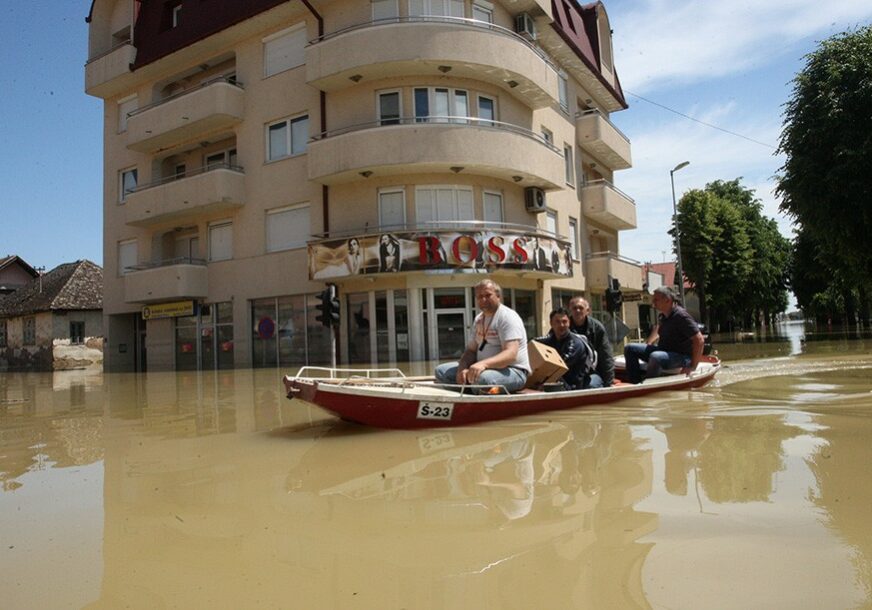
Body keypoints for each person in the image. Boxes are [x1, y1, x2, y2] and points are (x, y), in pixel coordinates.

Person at [435, 279, 530, 393]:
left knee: (483, 380)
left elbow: (511, 354)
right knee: (441, 371)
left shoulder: (507, 317)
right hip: (482, 368)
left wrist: (483, 364)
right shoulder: (479, 319)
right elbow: (471, 351)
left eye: (488, 295)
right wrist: (462, 368)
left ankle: (473, 389)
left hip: (513, 371)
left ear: (498, 296)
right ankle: (471, 388)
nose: (483, 300)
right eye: (479, 297)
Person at [623, 286, 704, 384]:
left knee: (656, 357)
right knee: (629, 348)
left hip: (682, 357)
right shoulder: (663, 316)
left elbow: (699, 340)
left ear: (668, 300)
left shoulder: (681, 316)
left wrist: (692, 367)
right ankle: (634, 382)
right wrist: (648, 344)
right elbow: (657, 331)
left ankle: (648, 385)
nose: (653, 303)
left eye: (656, 300)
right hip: (664, 351)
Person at [533, 307, 595, 390]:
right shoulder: (549, 340)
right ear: (551, 323)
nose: (561, 325)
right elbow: (533, 343)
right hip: (553, 383)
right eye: (557, 322)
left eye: (564, 322)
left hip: (572, 388)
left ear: (569, 323)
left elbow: (559, 366)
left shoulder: (575, 344)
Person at [568, 296, 614, 387]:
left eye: (580, 308)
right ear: (570, 310)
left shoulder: (597, 328)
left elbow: (606, 356)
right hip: (570, 372)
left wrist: (609, 383)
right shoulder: (563, 326)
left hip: (592, 372)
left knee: (590, 385)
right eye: (574, 308)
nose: (577, 311)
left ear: (587, 311)